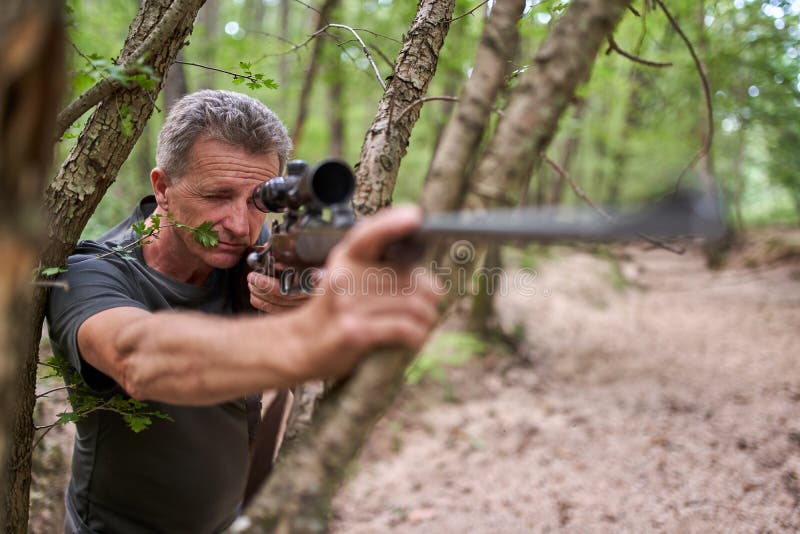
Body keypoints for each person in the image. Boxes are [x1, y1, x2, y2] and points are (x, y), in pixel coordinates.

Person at [46, 90, 439, 534]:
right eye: (217, 195)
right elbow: (136, 356)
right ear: (163, 188)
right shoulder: (89, 271)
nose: (238, 225)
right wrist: (309, 333)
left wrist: (313, 297)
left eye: (257, 202)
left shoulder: (259, 256)